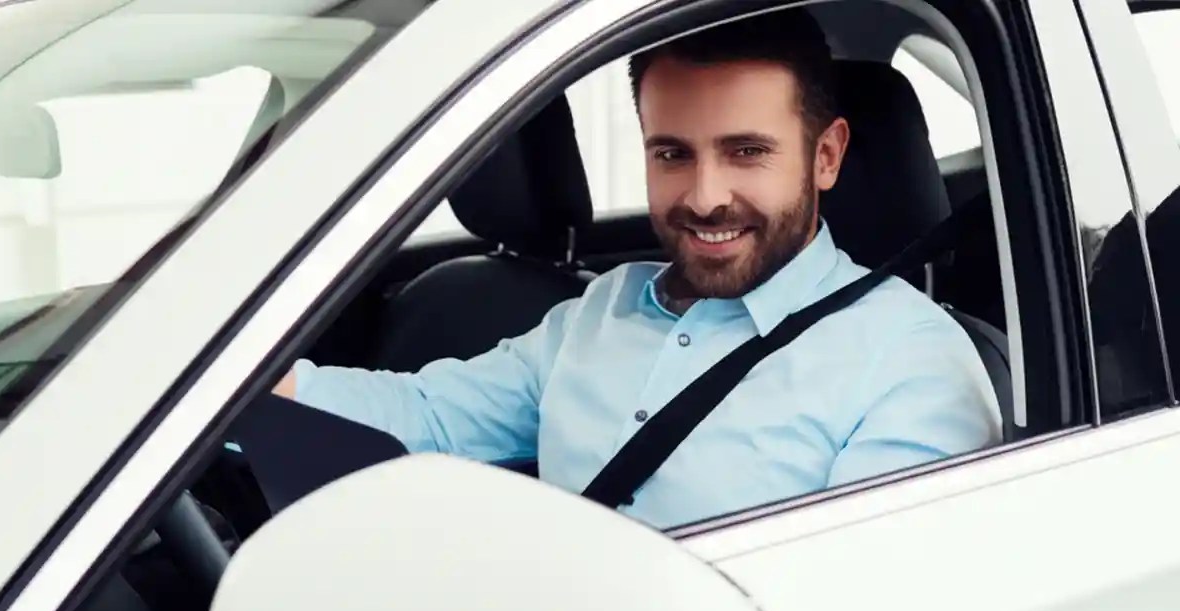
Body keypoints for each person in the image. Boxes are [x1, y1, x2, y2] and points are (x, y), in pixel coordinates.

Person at [274, 9, 1002, 529]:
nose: (705, 197)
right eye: (672, 153)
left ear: (827, 156)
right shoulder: (600, 312)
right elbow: (427, 417)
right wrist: (233, 394)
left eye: (747, 151)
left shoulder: (910, 364)